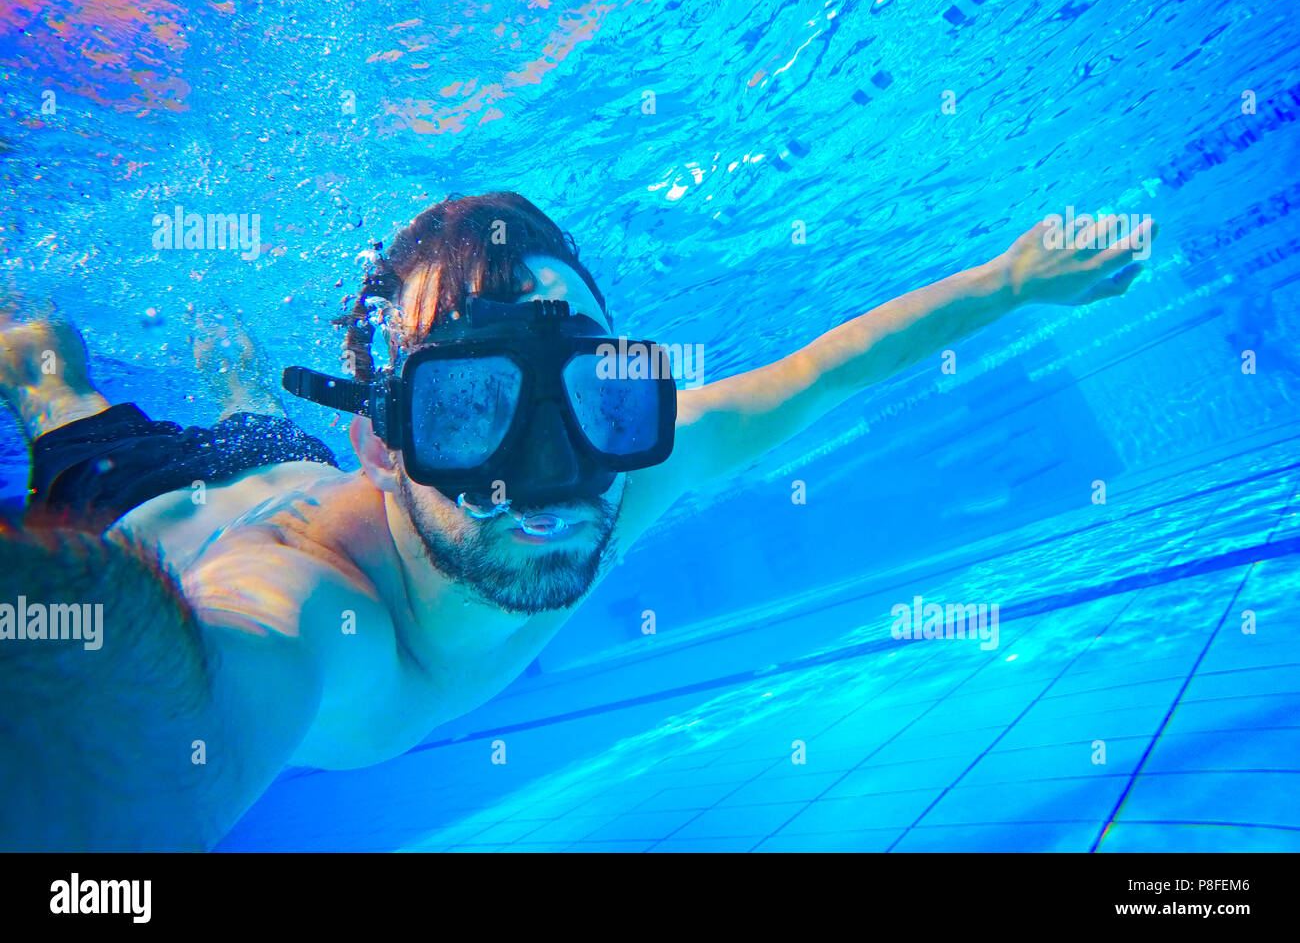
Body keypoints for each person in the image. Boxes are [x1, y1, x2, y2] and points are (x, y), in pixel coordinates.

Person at [0, 191, 1155, 850]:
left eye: (593, 399)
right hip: (141, 497)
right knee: (54, 379)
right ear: (387, 439)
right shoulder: (323, 618)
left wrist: (1008, 281)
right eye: (469, 410)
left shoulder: (633, 462)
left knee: (258, 418)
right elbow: (196, 693)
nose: (550, 481)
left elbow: (824, 368)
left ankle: (249, 385)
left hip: (286, 458)